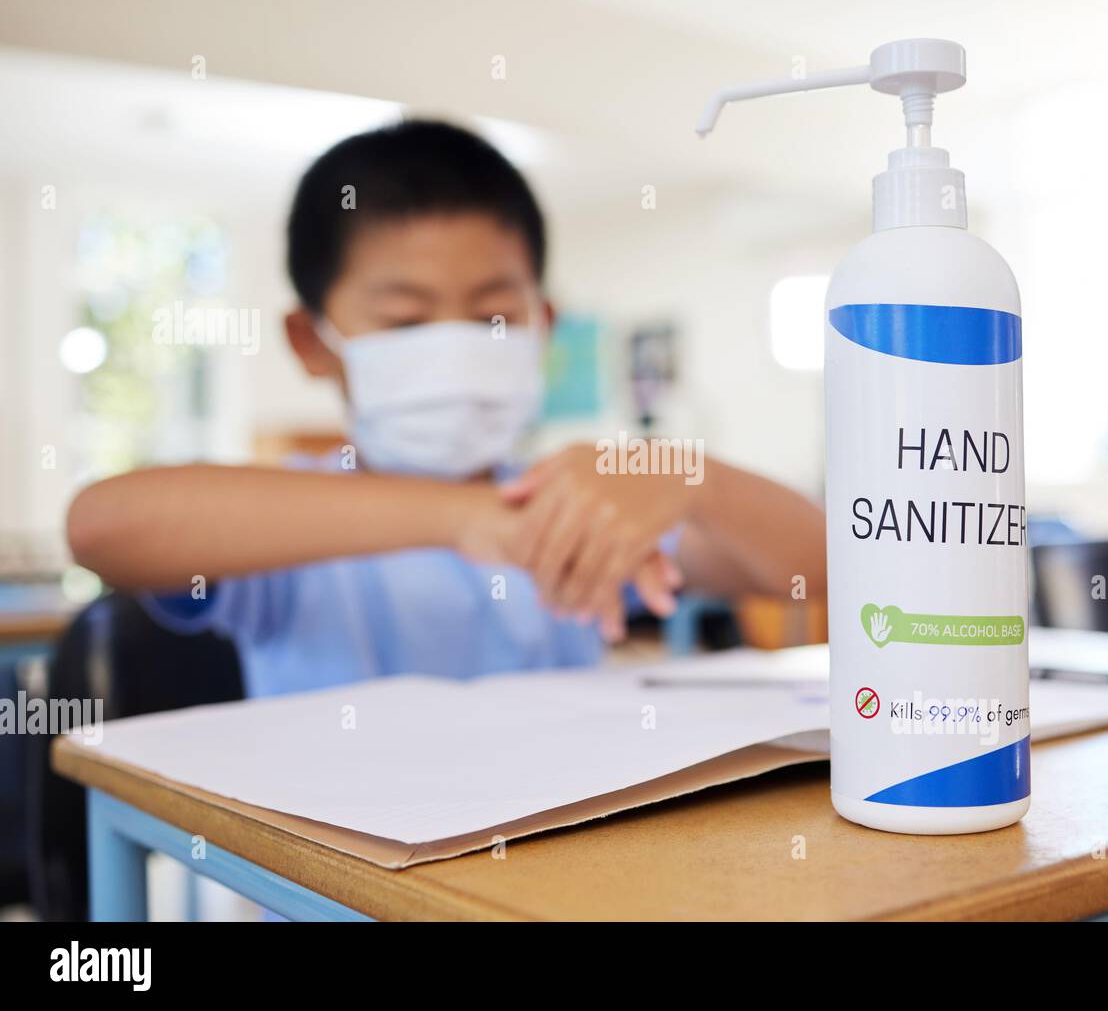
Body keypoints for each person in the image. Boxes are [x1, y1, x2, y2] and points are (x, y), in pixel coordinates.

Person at [66, 120, 826, 698]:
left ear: (541, 326)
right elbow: (103, 525)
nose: (457, 347)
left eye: (493, 314)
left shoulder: (571, 508)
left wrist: (691, 475)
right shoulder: (288, 529)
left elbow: (830, 568)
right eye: (405, 322)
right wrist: (469, 518)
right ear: (312, 340)